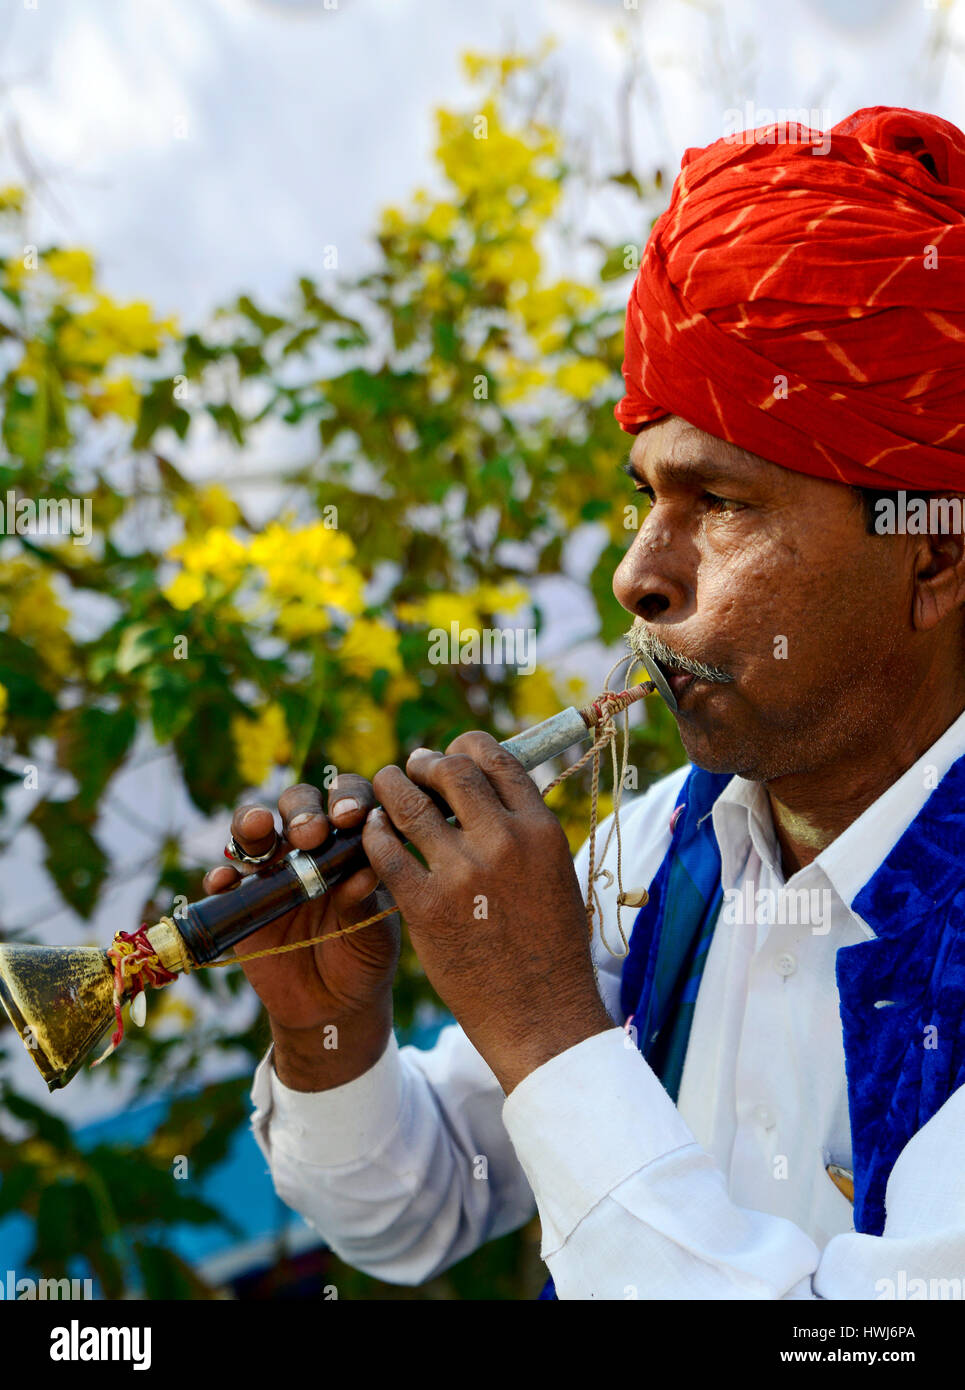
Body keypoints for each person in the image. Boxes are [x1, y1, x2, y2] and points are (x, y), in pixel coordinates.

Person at [203, 106, 965, 1299]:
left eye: (718, 502)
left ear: (929, 557)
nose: (637, 574)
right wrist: (325, 1027)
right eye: (645, 494)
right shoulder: (675, 837)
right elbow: (420, 1205)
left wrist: (543, 1016)